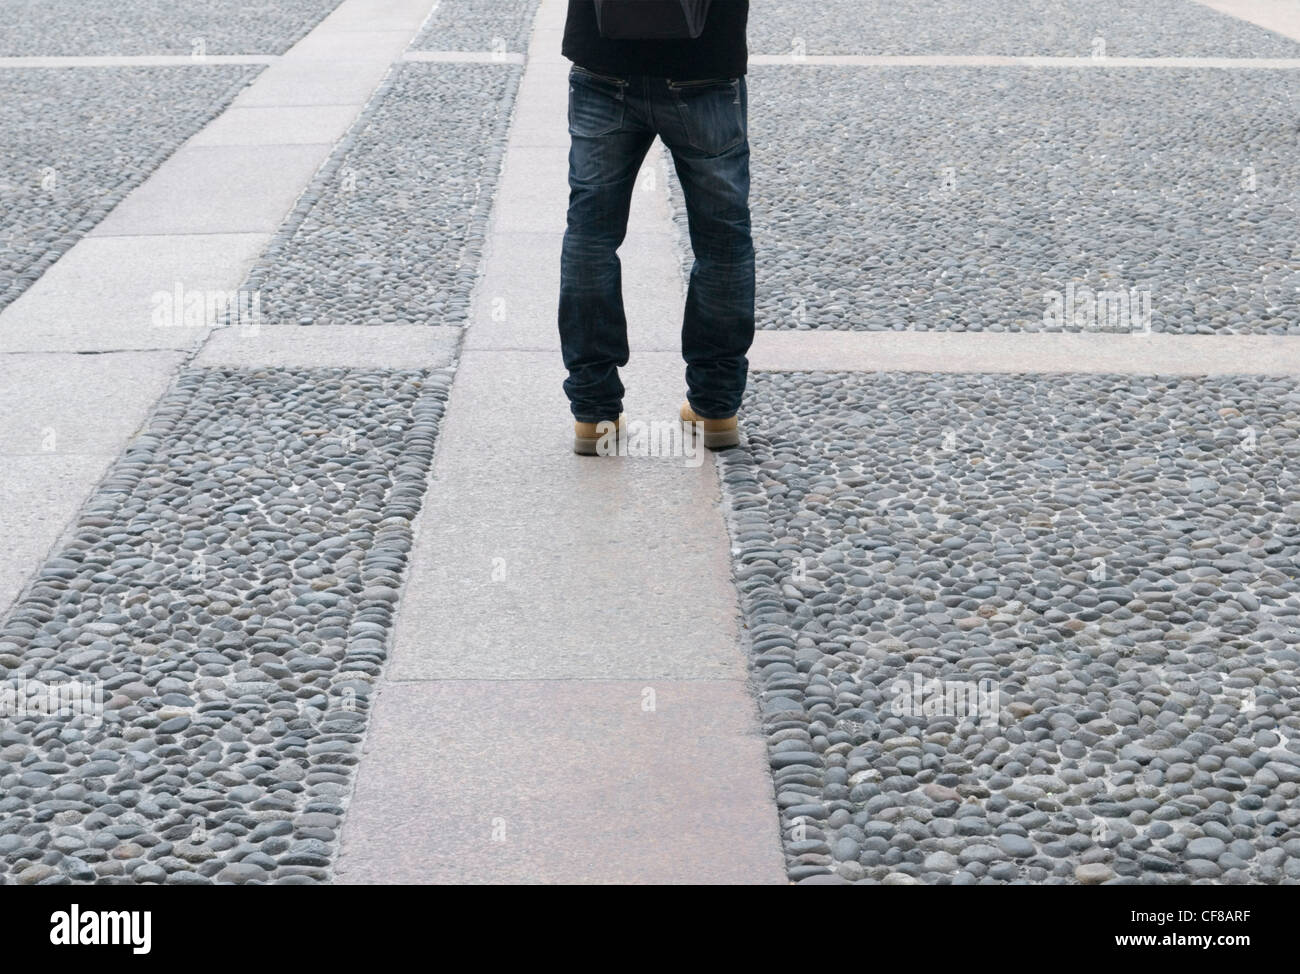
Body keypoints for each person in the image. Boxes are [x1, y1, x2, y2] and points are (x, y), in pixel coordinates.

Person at [559, 0, 754, 455]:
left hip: (603, 62)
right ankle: (715, 408)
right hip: (705, 64)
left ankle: (594, 413)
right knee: (723, 240)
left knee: (591, 237)